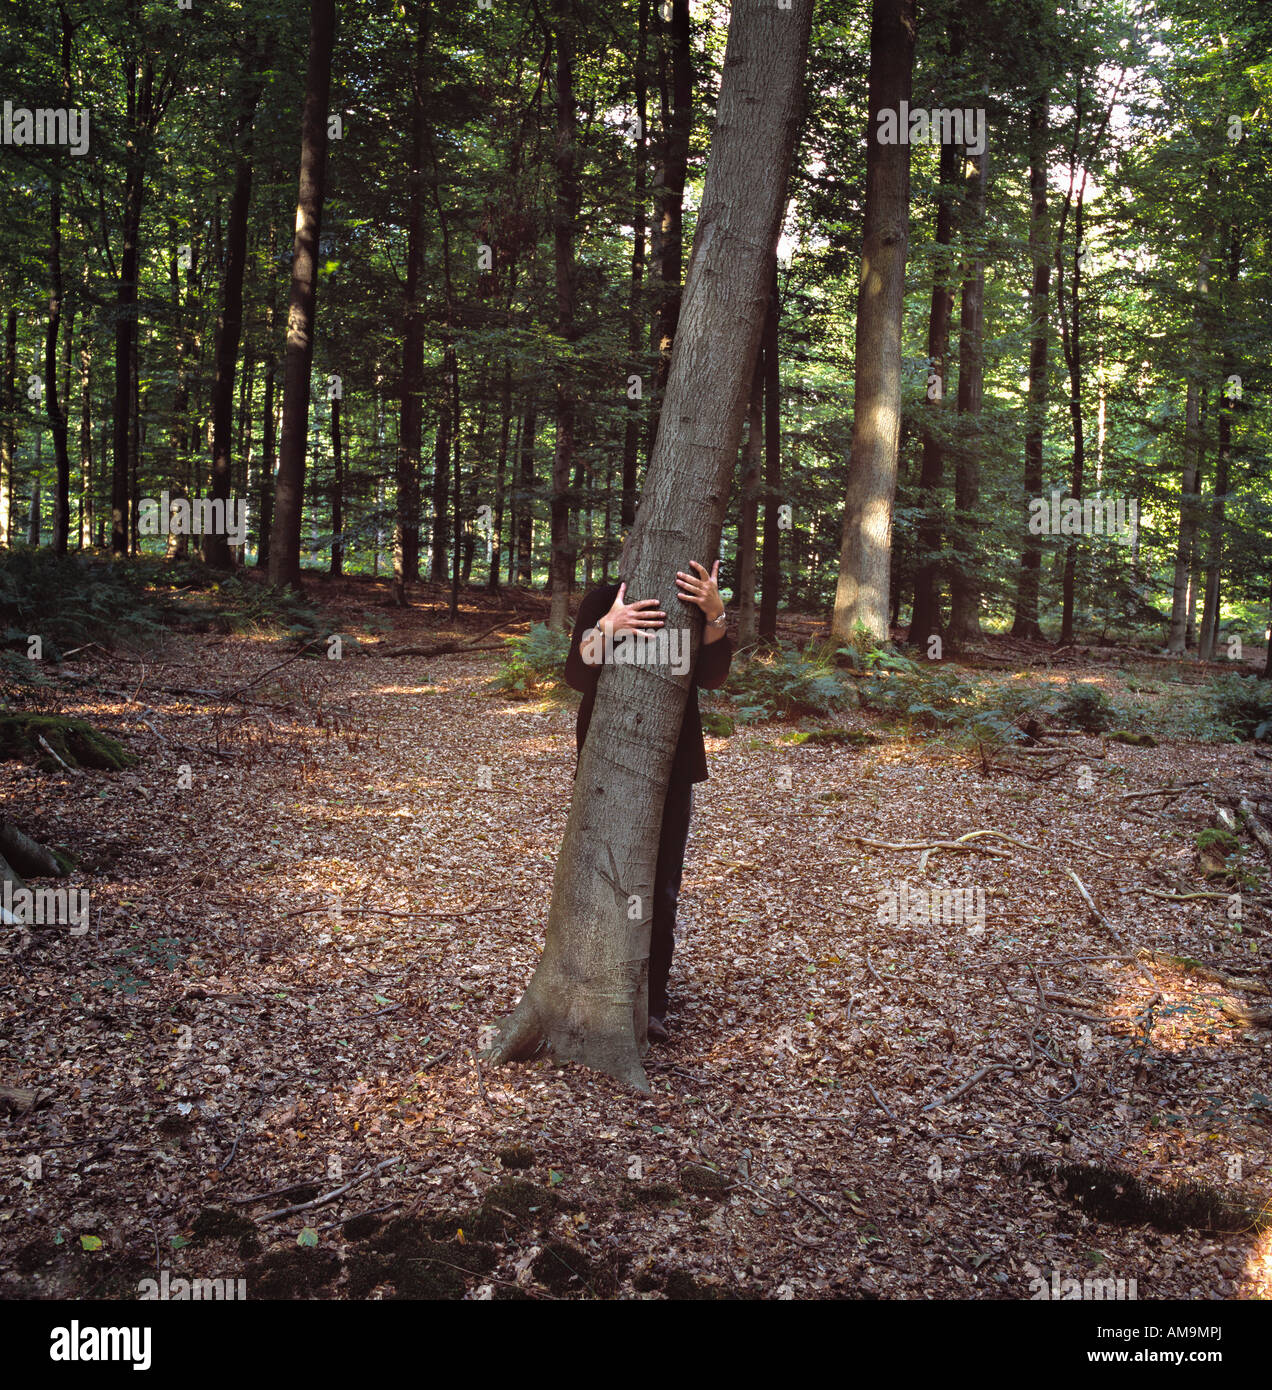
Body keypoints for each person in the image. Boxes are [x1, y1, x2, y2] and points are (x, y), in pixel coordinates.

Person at [563, 560, 733, 1042]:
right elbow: (577, 673)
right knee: (598, 877)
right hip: (605, 765)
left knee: (659, 890)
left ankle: (651, 1004)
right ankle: (587, 991)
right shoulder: (603, 597)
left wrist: (716, 615)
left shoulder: (694, 600)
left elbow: (713, 678)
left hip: (673, 767)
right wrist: (605, 627)